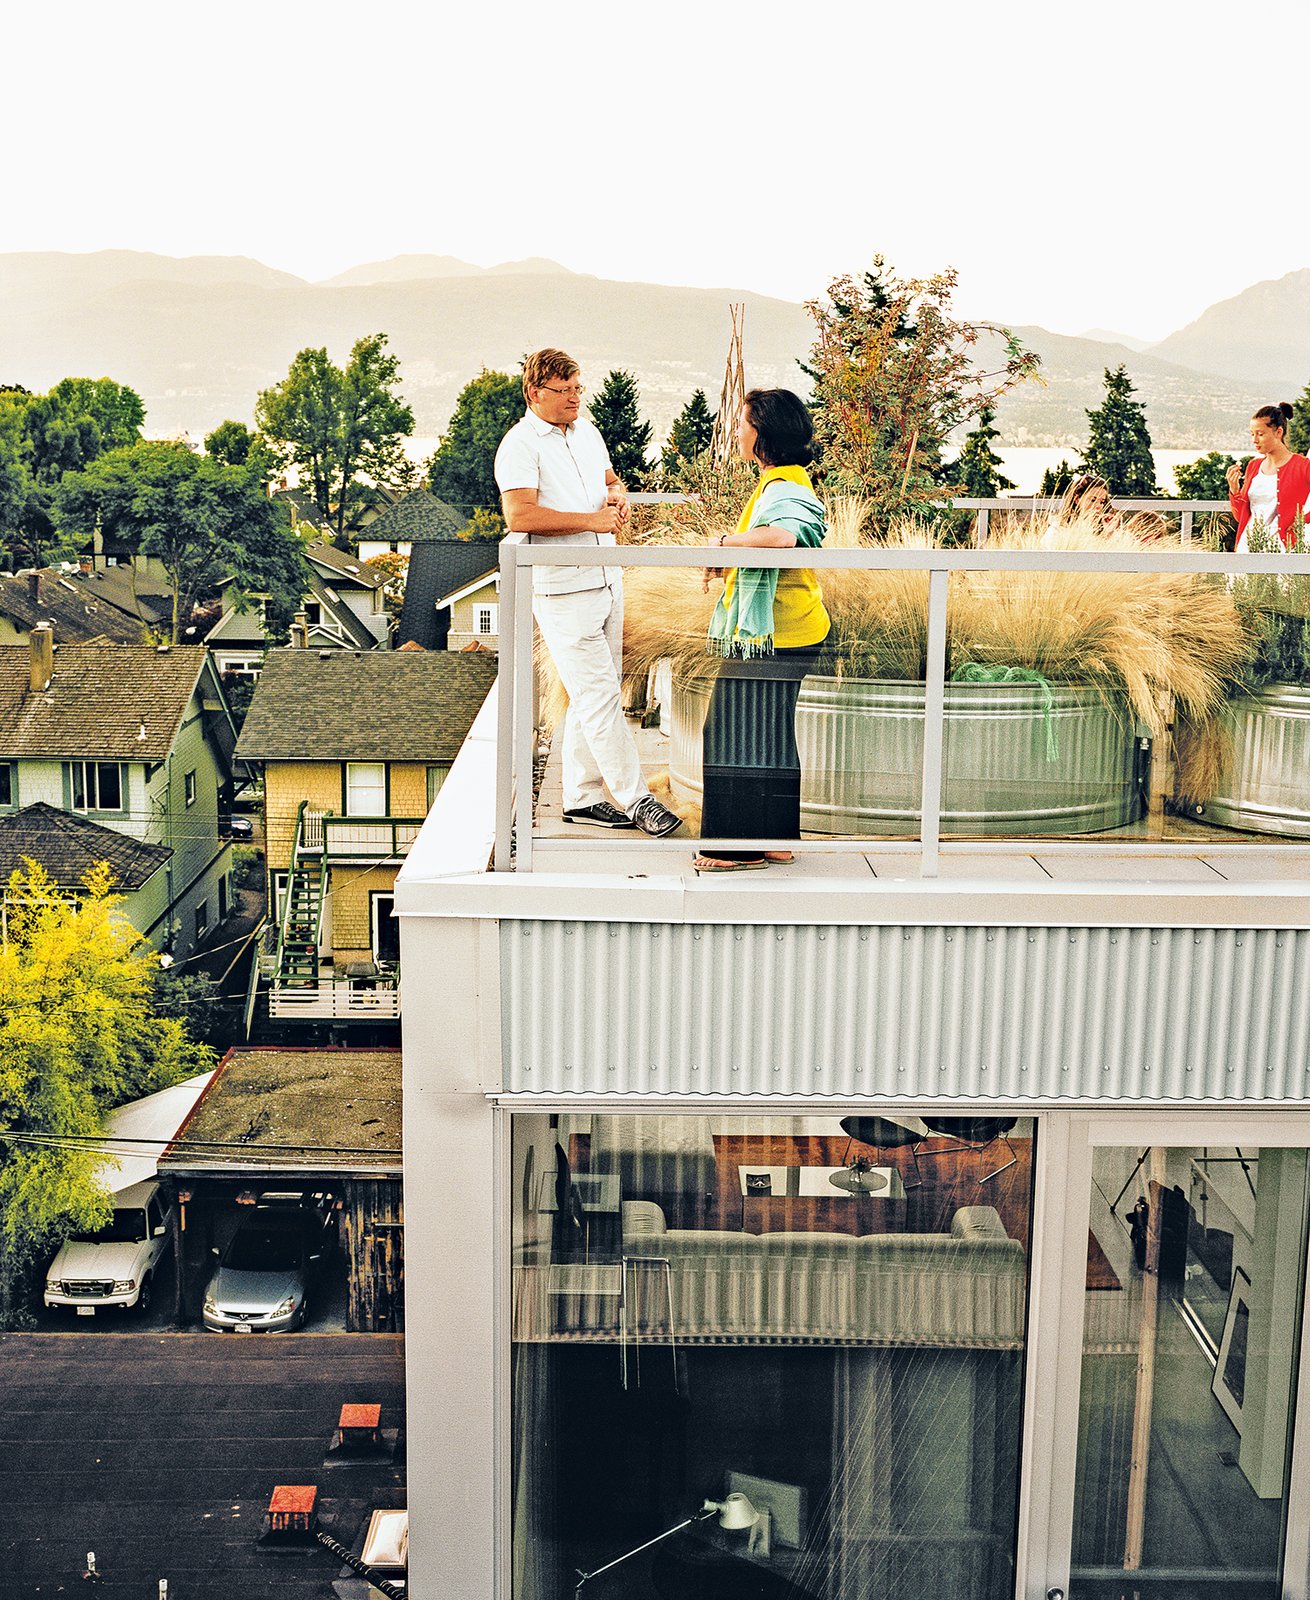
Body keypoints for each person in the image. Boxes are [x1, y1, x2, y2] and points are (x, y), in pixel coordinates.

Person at [495, 349, 681, 838]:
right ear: (535, 393)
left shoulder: (588, 432)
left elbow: (611, 481)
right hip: (561, 590)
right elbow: (520, 518)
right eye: (565, 390)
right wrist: (592, 521)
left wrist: (617, 495)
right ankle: (637, 798)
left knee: (593, 694)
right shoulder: (519, 445)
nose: (576, 398)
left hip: (607, 577)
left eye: (579, 388)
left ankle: (581, 795)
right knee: (599, 696)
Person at [693, 389, 831, 872]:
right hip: (794, 628)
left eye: (743, 423)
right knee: (770, 732)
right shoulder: (784, 479)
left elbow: (784, 536)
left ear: (762, 435)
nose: (736, 431)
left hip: (776, 634)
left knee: (730, 732)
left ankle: (733, 848)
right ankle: (776, 839)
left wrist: (722, 543)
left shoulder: (785, 488)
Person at [1226, 403, 1310, 551]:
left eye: (1260, 434)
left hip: (1284, 551)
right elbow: (1241, 516)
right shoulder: (1254, 466)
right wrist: (1234, 491)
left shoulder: (1303, 466)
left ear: (1278, 432)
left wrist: (1302, 521)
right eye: (1252, 434)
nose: (1254, 440)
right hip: (1248, 547)